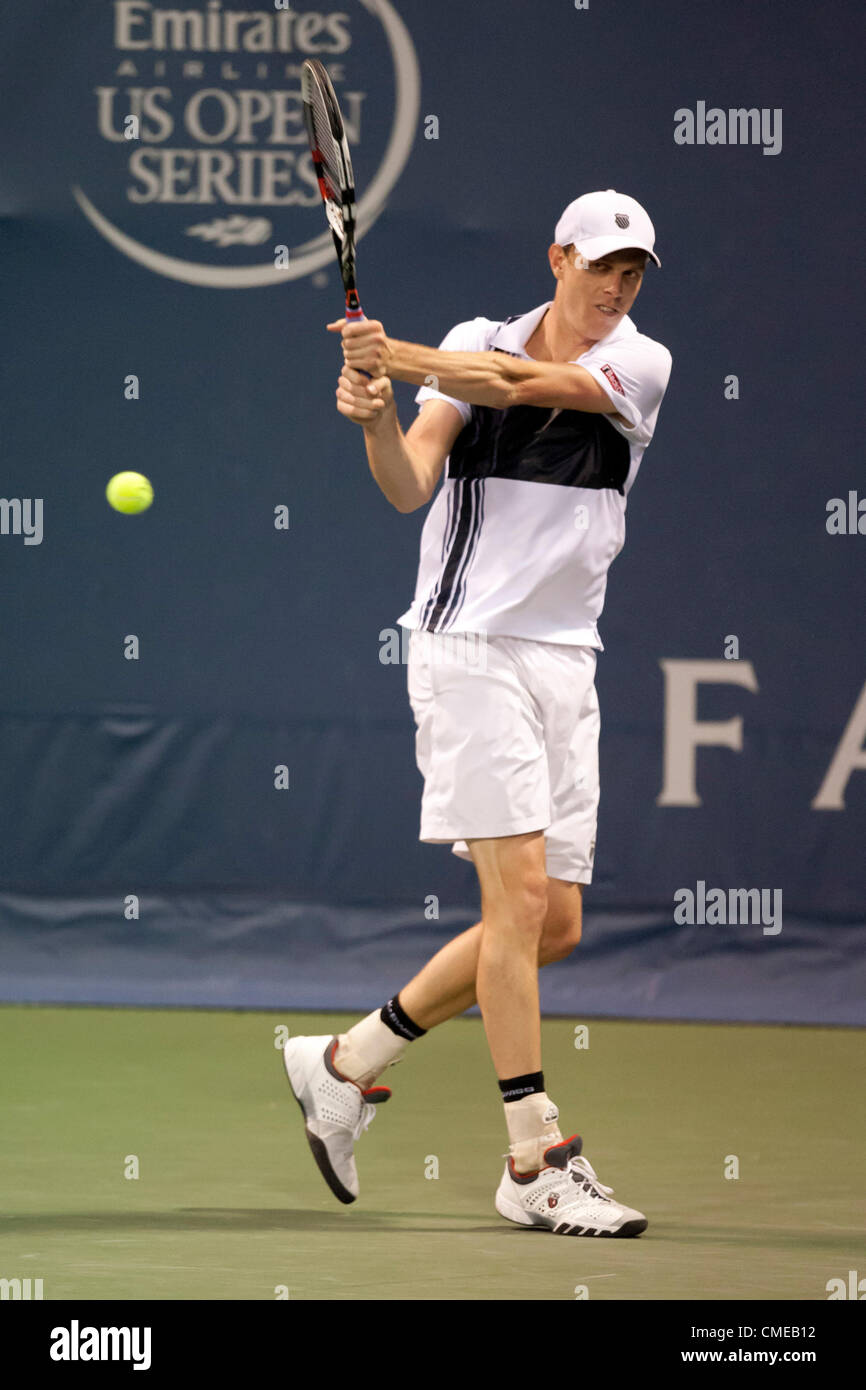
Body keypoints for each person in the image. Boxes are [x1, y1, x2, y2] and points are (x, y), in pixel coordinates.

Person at [283, 190, 672, 1237]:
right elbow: (410, 483)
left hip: (564, 659)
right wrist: (376, 418)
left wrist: (389, 354)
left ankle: (345, 1061)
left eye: (631, 272)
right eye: (600, 266)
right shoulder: (469, 341)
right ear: (556, 258)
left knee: (551, 922)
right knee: (517, 900)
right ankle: (532, 1159)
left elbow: (511, 382)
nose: (615, 287)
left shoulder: (639, 364)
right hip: (467, 649)